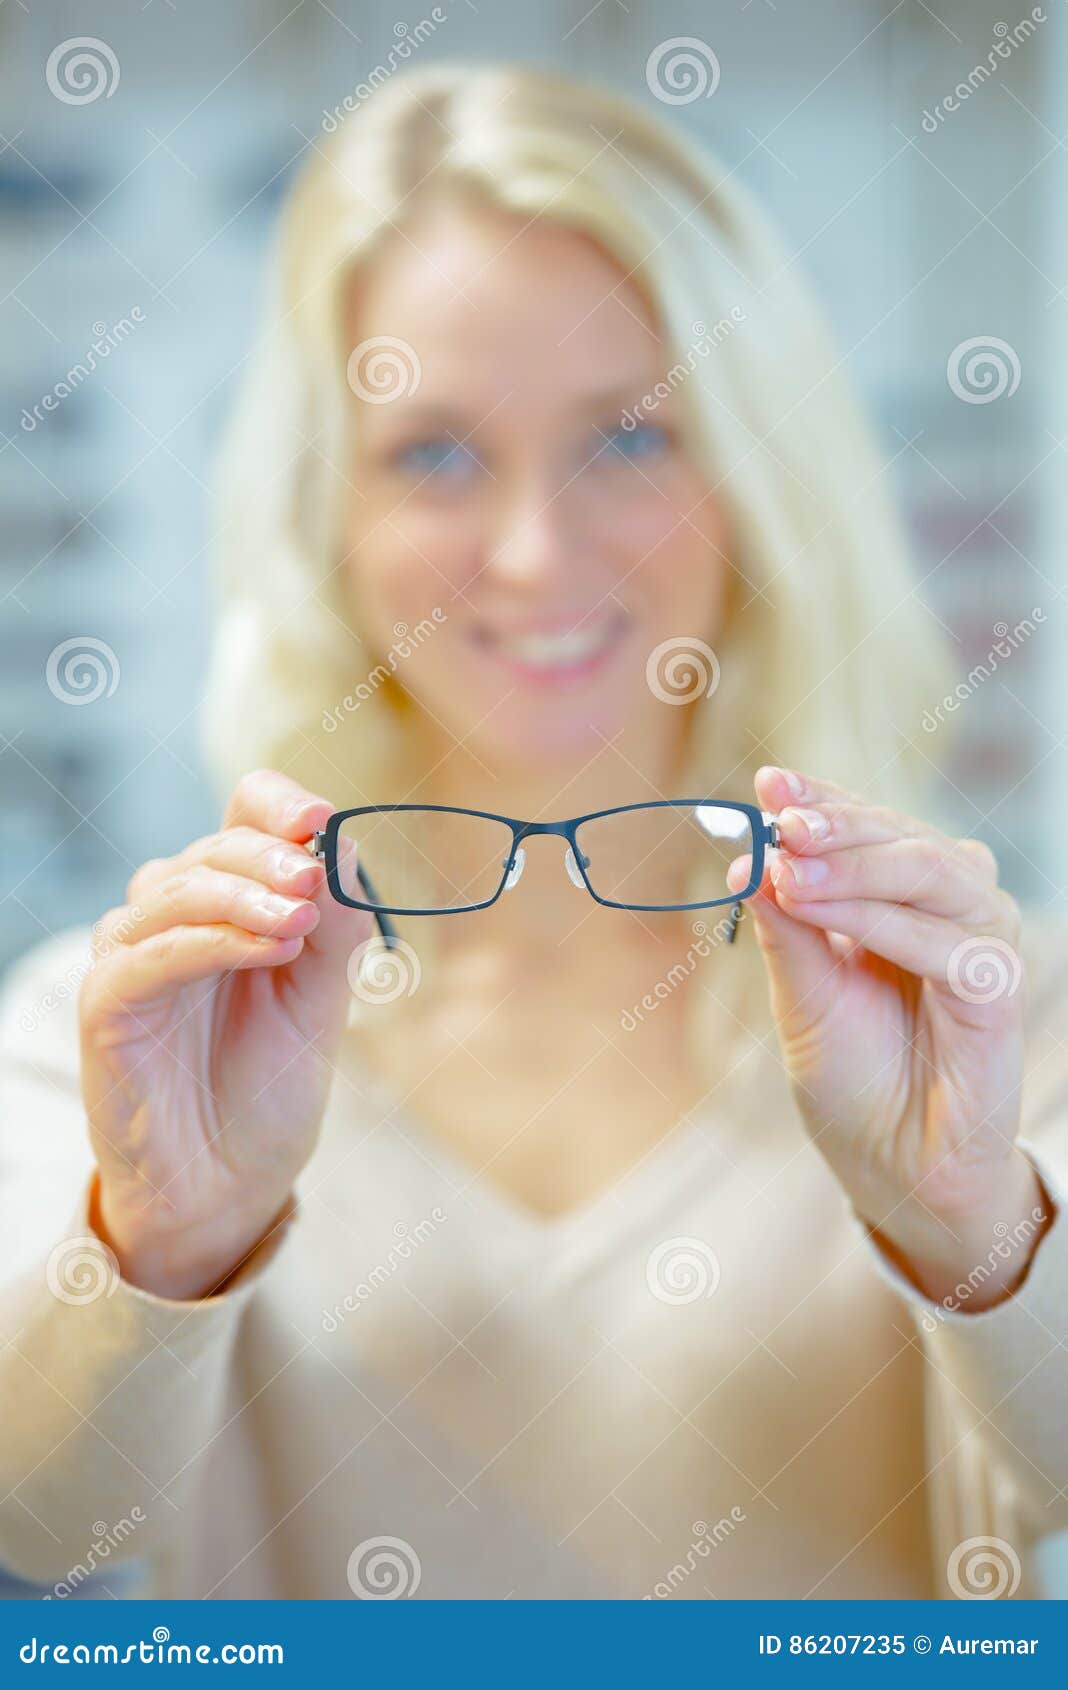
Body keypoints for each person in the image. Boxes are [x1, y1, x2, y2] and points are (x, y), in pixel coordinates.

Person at [1, 61, 1065, 1603]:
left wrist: (982, 1238)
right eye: (434, 452)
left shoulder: (991, 1009)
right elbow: (38, 1540)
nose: (531, 548)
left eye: (627, 439)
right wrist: (158, 1248)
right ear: (328, 518)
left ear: (758, 478)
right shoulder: (117, 1036)